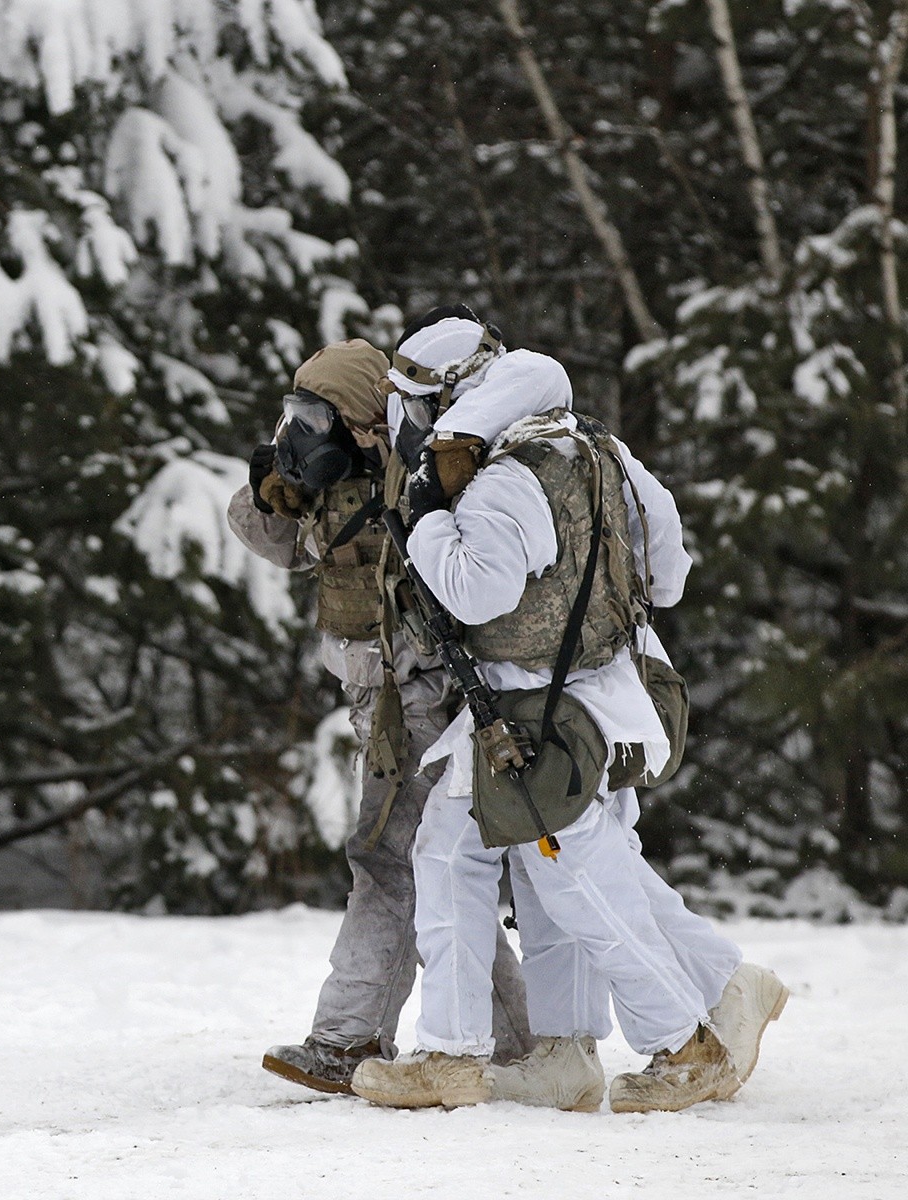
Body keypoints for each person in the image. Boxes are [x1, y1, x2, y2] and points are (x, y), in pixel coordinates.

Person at [347, 312, 787, 1113]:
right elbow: (670, 573)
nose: (409, 427)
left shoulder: (502, 477)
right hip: (602, 693)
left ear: (453, 398)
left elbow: (476, 589)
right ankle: (548, 1045)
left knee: (575, 875)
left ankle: (683, 1043)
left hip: (535, 713)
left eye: (416, 407)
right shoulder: (596, 444)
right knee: (464, 852)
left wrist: (423, 518)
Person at [228, 336, 532, 1095]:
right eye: (293, 412)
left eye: (317, 415)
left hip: (428, 698)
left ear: (367, 422)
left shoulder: (417, 481)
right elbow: (272, 543)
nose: (301, 428)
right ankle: (515, 1043)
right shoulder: (326, 486)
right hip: (377, 703)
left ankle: (349, 1037)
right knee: (430, 871)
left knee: (392, 861)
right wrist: (271, 483)